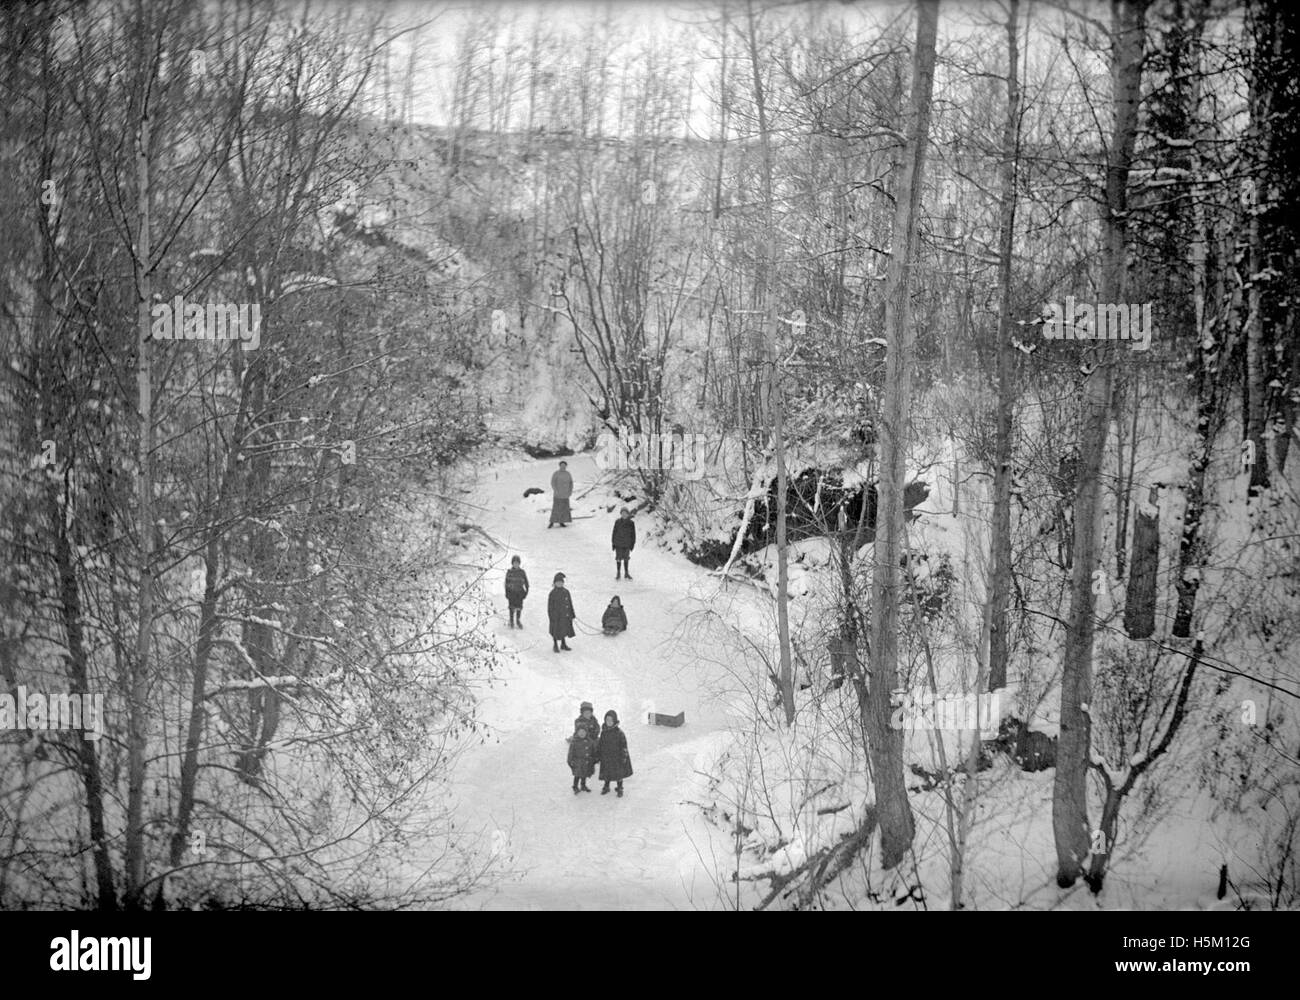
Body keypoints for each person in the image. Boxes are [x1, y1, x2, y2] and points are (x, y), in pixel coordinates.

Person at [594, 709, 633, 797]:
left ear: (614, 721)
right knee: (607, 773)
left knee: (618, 774)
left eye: (611, 720)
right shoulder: (604, 733)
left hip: (617, 758)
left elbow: (623, 746)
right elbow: (601, 744)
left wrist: (623, 757)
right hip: (606, 757)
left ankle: (619, 788)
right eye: (607, 720)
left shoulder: (619, 733)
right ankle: (606, 786)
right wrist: (598, 754)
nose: (609, 722)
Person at [547, 572, 575, 652]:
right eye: (558, 582)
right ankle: (555, 644)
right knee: (556, 630)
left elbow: (569, 603)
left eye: (561, 582)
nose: (559, 584)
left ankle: (563, 644)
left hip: (565, 615)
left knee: (564, 629)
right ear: (554, 583)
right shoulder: (552, 593)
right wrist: (551, 616)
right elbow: (550, 607)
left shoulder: (566, 592)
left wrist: (572, 614)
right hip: (556, 616)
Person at [566, 721, 596, 794]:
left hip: (586, 762)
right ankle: (575, 786)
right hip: (578, 762)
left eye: (583, 732)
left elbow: (593, 751)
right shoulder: (574, 742)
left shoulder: (590, 741)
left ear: (586, 732)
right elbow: (571, 753)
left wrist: (593, 759)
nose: (582, 733)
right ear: (577, 732)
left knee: (584, 774)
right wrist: (570, 761)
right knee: (577, 775)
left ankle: (583, 785)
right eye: (580, 732)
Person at [611, 506, 636, 579]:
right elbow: (614, 532)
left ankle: (626, 573)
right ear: (620, 514)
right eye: (622, 513)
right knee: (618, 558)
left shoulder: (631, 523)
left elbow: (633, 535)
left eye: (625, 513)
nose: (624, 514)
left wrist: (632, 544)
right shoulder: (617, 522)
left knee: (626, 558)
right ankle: (618, 573)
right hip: (618, 543)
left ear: (628, 514)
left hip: (627, 543)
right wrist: (613, 543)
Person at [504, 556, 529, 628]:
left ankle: (518, 620)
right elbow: (506, 583)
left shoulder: (522, 572)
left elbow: (526, 583)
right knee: (511, 608)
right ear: (512, 563)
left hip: (519, 593)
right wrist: (507, 593)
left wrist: (526, 592)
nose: (516, 564)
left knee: (519, 607)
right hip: (511, 593)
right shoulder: (509, 572)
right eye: (514, 563)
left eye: (517, 563)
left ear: (519, 563)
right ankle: (511, 621)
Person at [548, 461, 574, 528]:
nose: (563, 467)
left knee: (564, 509)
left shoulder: (568, 474)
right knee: (556, 509)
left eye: (564, 465)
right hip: (558, 495)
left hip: (566, 495)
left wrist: (570, 491)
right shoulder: (556, 473)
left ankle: (561, 522)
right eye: (562, 465)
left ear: (566, 466)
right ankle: (552, 522)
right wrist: (556, 490)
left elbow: (571, 483)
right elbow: (552, 482)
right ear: (559, 466)